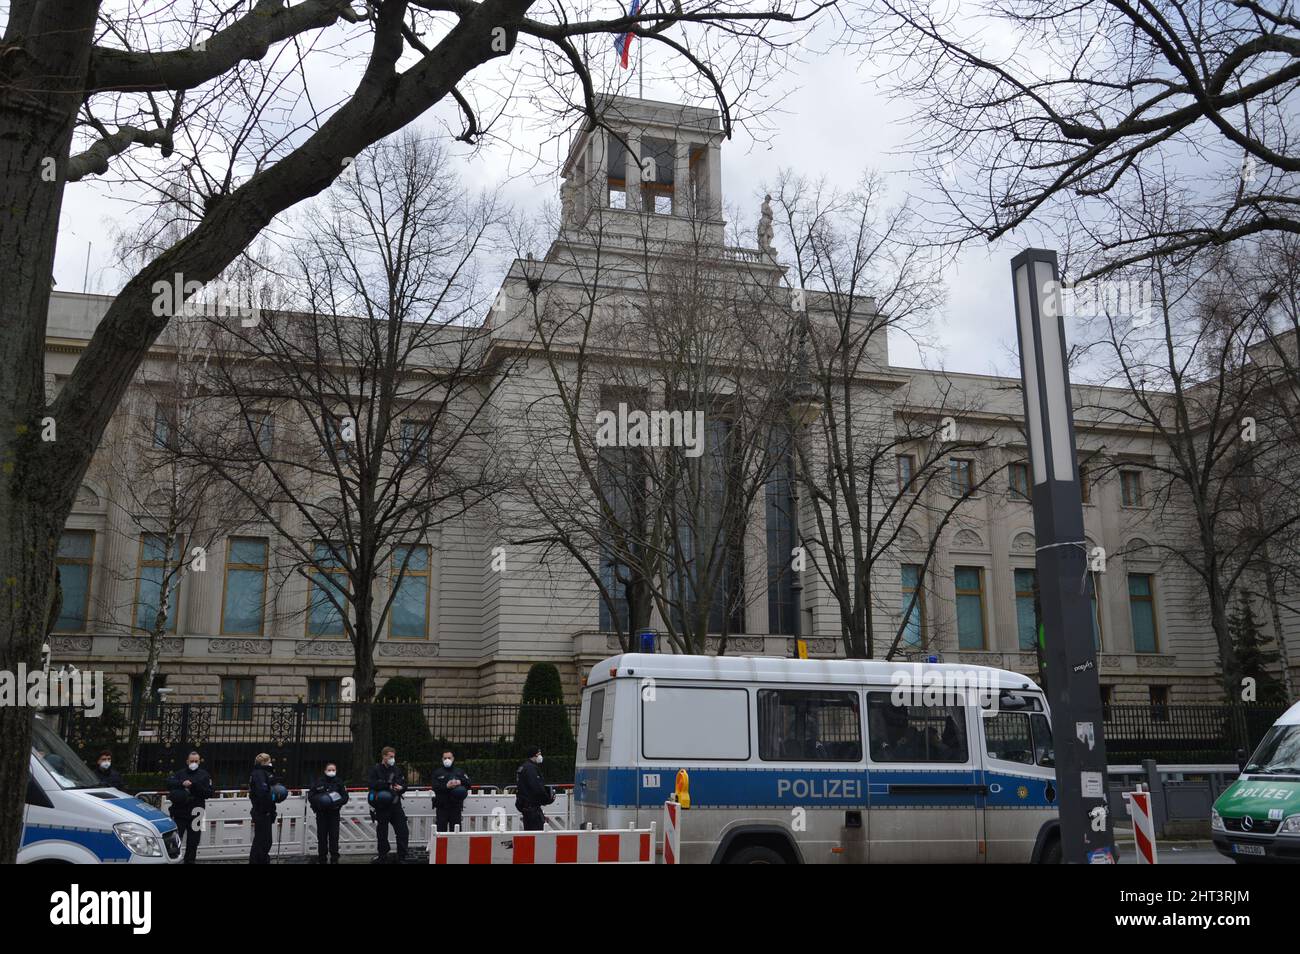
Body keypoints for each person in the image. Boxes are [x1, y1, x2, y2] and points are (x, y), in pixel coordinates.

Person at [166, 751, 215, 864]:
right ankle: (173, 860)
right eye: (191, 761)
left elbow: (209, 793)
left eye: (196, 761)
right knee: (175, 840)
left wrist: (194, 786)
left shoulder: (205, 775)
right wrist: (182, 783)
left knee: (193, 842)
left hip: (197, 812)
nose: (193, 763)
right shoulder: (180, 773)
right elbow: (169, 782)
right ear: (187, 761)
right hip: (180, 812)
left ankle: (190, 861)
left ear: (199, 761)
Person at [368, 746, 410, 863]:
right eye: (390, 757)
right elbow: (372, 784)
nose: (393, 759)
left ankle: (402, 856)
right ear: (384, 756)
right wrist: (387, 785)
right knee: (382, 833)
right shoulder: (375, 769)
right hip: (382, 806)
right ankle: (383, 855)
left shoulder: (396, 769)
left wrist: (402, 788)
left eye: (393, 757)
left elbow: (404, 783)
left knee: (402, 831)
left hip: (395, 805)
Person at [308, 762, 349, 863]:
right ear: (325, 771)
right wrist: (321, 801)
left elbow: (345, 797)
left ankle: (334, 858)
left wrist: (336, 803)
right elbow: (311, 796)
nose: (331, 772)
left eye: (333, 770)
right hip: (322, 814)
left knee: (334, 837)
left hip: (334, 813)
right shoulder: (318, 782)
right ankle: (322, 858)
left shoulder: (339, 782)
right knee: (322, 837)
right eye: (329, 770)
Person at [248, 752, 278, 864]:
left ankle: (261, 860)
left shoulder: (260, 773)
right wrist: (273, 799)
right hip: (262, 811)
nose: (271, 764)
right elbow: (263, 793)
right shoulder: (260, 773)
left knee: (263, 841)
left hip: (263, 811)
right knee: (263, 841)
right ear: (265, 762)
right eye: (269, 761)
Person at [515, 745, 554, 832]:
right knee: (537, 834)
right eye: (539, 754)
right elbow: (537, 788)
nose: (540, 756)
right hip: (532, 808)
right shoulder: (531, 768)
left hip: (525, 806)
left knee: (530, 834)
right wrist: (547, 799)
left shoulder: (523, 767)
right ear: (534, 755)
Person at [430, 750, 470, 833]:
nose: (447, 760)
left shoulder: (459, 771)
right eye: (445, 758)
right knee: (441, 832)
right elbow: (435, 787)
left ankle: (455, 846)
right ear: (442, 759)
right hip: (442, 807)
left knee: (456, 832)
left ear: (453, 759)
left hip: (455, 807)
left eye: (449, 758)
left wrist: (460, 782)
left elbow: (469, 784)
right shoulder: (437, 773)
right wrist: (446, 786)